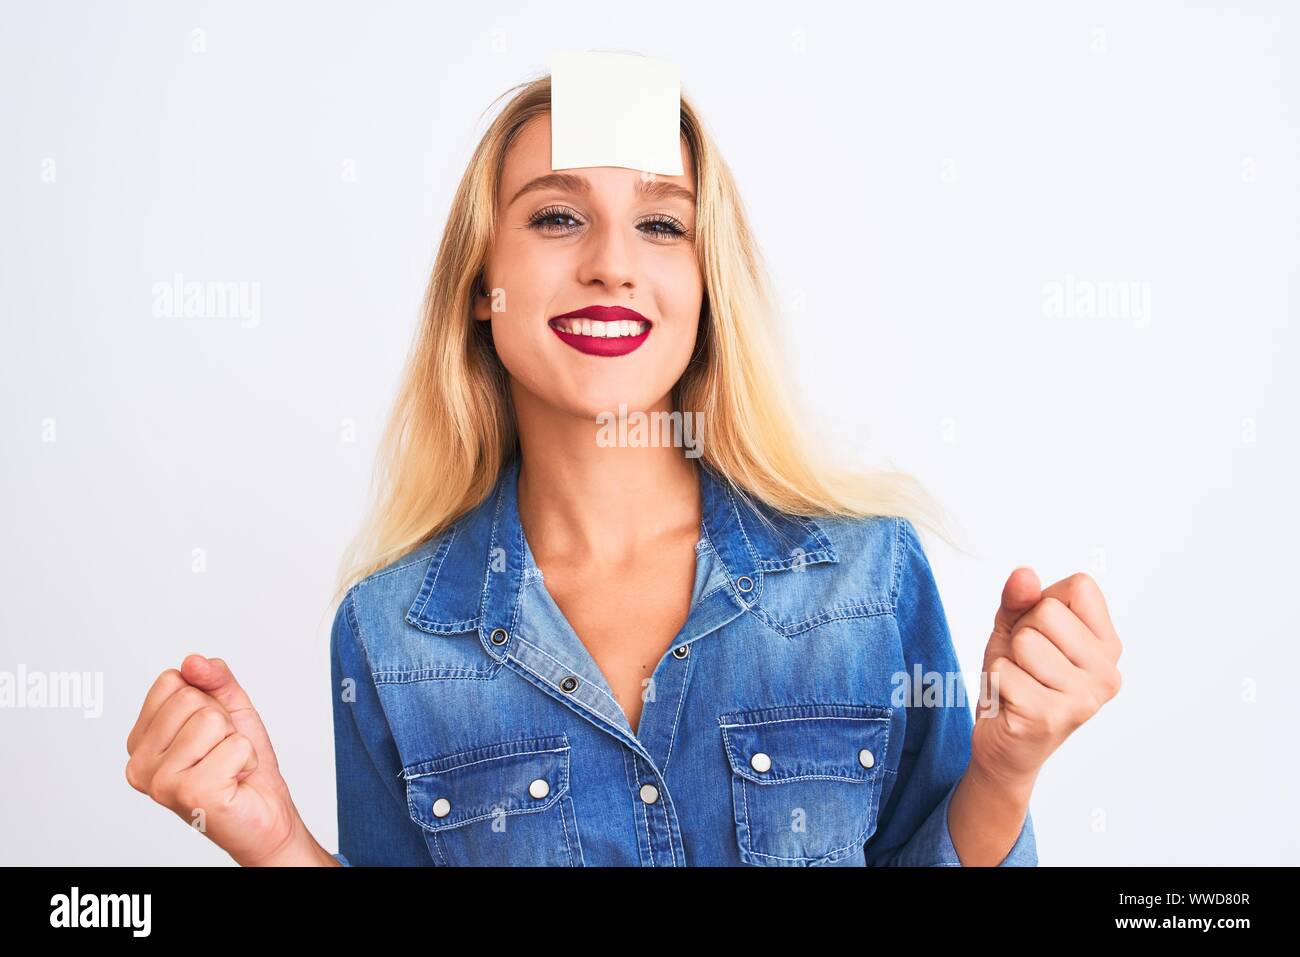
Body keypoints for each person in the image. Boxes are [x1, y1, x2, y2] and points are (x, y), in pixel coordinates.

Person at [125, 71, 1123, 867]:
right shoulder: (388, 634)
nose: (612, 262)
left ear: (703, 283)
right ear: (482, 285)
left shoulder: (867, 582)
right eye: (557, 218)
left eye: (661, 224)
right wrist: (276, 848)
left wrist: (1002, 772)